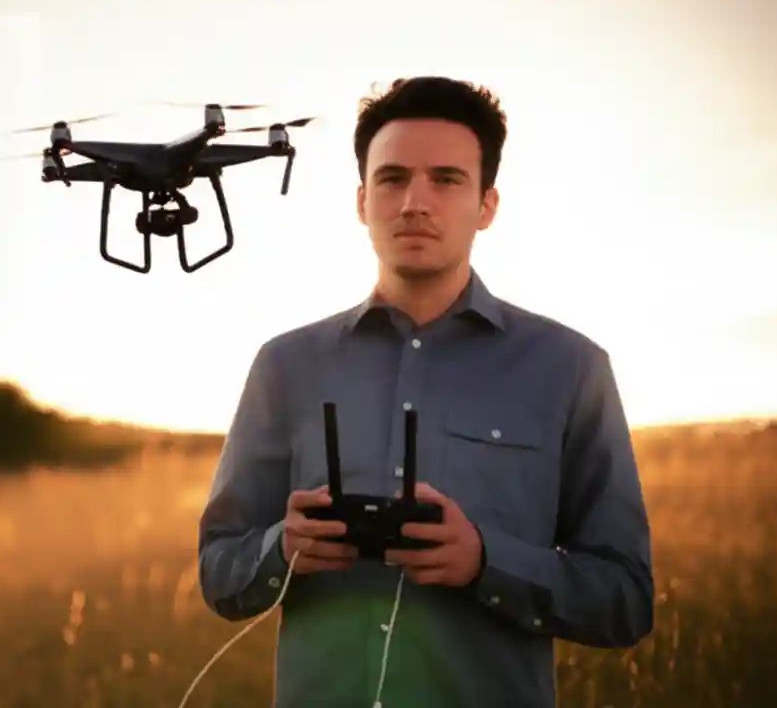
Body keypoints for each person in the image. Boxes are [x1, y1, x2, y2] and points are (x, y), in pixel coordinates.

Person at [196, 76, 654, 707]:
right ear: (362, 201)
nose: (415, 201)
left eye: (446, 179)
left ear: (486, 205)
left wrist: (485, 562)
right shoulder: (286, 366)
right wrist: (283, 549)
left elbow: (625, 600)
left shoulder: (570, 369)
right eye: (392, 178)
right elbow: (219, 572)